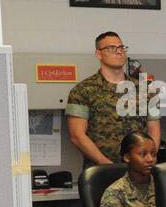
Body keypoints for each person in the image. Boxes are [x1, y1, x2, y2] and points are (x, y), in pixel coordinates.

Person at [66, 31, 160, 170]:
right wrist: (107, 165)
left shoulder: (145, 89)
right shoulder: (83, 90)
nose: (119, 52)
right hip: (101, 172)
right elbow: (77, 135)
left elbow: (154, 130)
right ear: (99, 54)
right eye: (111, 48)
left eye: (121, 48)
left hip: (139, 172)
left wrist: (148, 158)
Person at [99, 131, 158, 207]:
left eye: (153, 154)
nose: (150, 159)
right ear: (127, 157)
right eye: (142, 154)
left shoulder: (164, 186)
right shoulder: (114, 193)